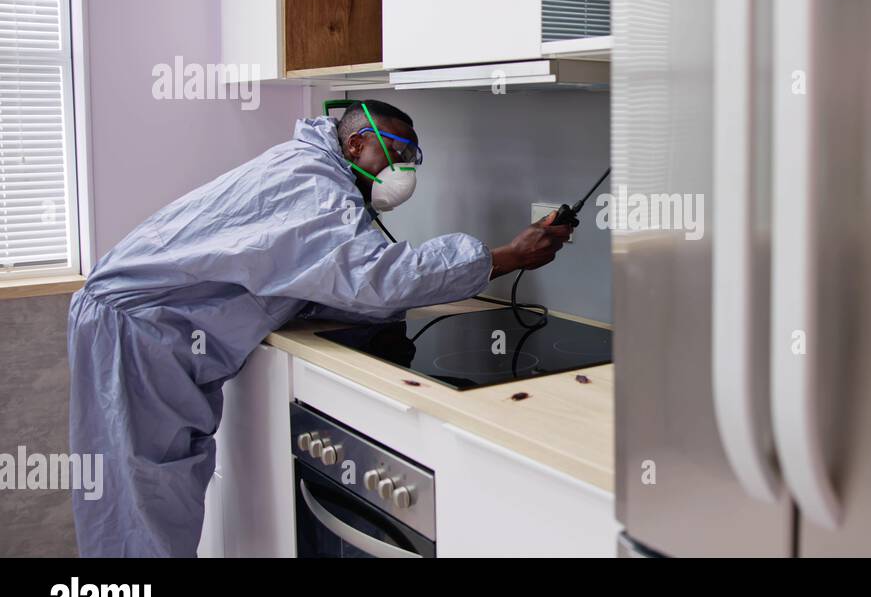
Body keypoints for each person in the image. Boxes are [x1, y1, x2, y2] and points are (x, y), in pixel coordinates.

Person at [67, 100, 573, 557]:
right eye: (396, 151)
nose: (403, 169)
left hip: (143, 329)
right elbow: (379, 278)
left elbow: (311, 271)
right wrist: (508, 255)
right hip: (142, 333)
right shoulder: (315, 186)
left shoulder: (306, 168)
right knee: (145, 508)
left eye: (413, 158)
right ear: (355, 142)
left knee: (151, 495)